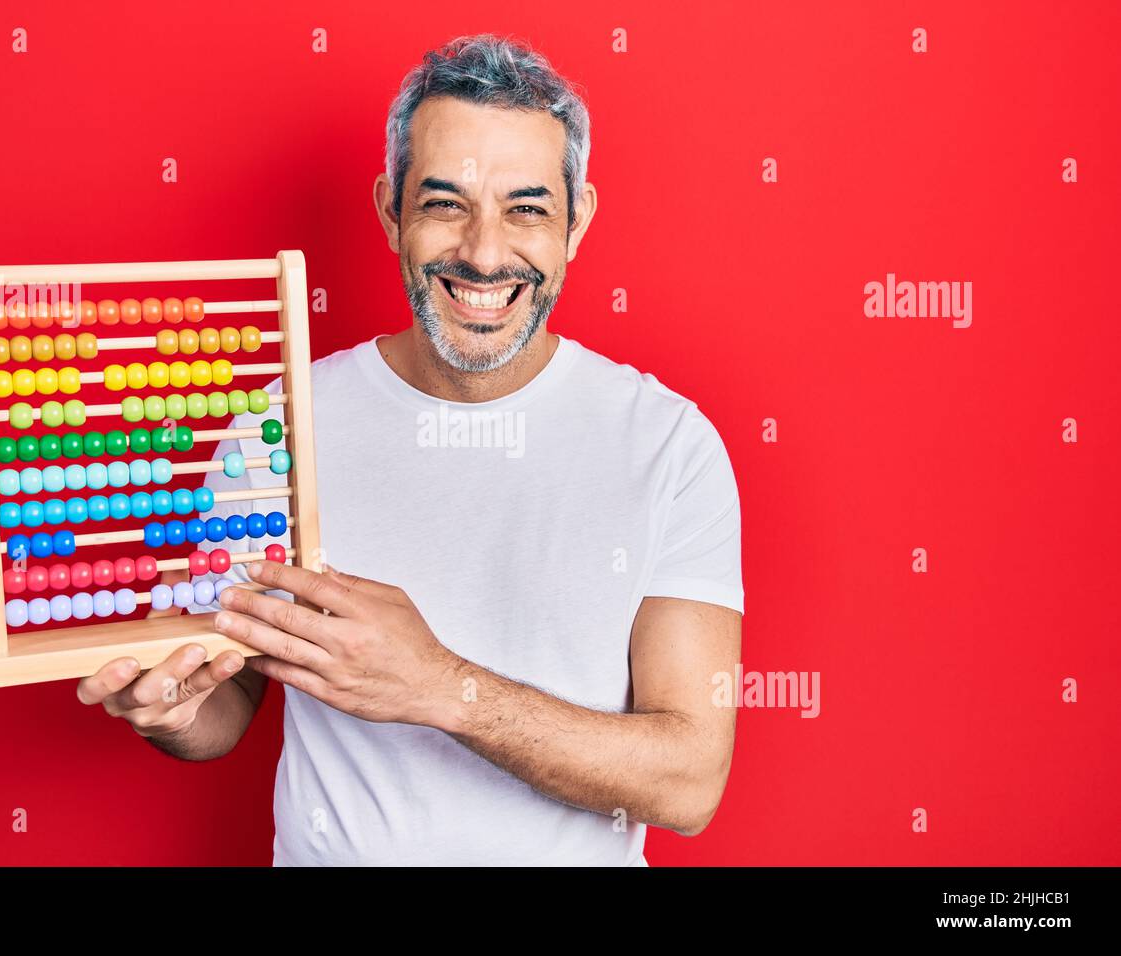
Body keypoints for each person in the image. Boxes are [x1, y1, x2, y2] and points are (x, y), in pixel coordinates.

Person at [76, 33, 744, 866]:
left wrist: (438, 687)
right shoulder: (285, 425)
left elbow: (689, 781)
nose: (486, 252)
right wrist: (173, 712)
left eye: (527, 208)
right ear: (392, 211)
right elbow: (233, 695)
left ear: (577, 222)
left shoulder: (670, 447)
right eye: (444, 203)